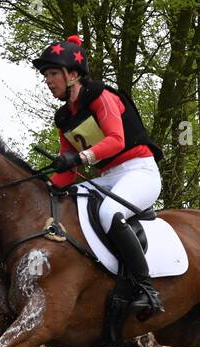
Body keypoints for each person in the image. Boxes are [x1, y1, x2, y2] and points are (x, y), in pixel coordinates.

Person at [33, 34, 165, 317]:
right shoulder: (65, 116)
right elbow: (68, 173)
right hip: (108, 176)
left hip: (139, 170)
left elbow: (116, 140)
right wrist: (46, 187)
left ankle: (146, 289)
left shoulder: (101, 97)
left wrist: (79, 158)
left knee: (108, 214)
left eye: (53, 73)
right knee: (66, 206)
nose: (48, 80)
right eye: (46, 75)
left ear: (72, 75)